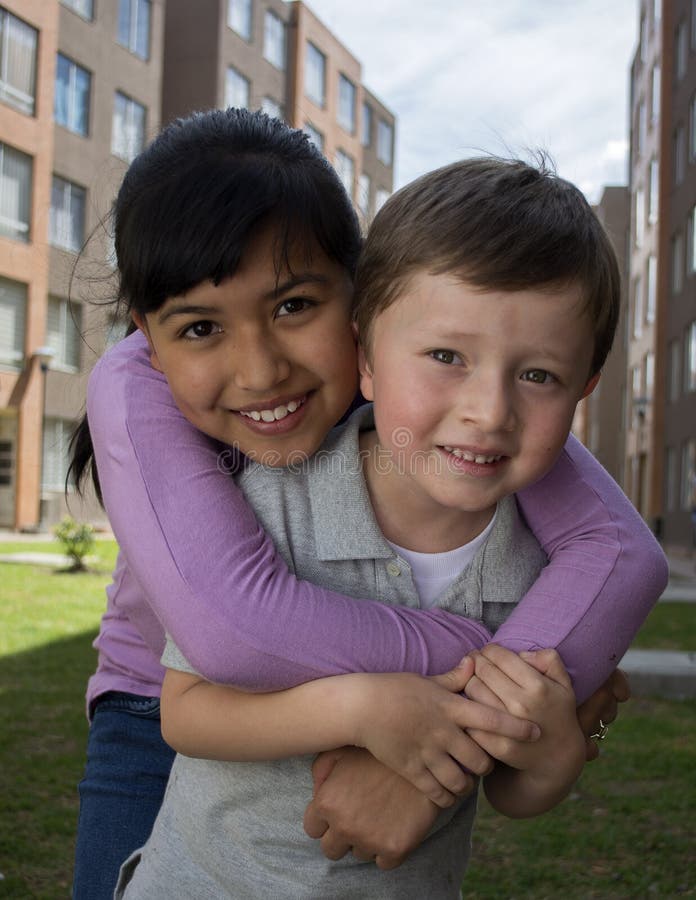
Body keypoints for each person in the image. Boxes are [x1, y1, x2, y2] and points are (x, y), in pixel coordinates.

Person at [69, 109, 667, 897]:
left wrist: (541, 731)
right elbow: (229, 631)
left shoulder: (464, 412)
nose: (259, 373)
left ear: (358, 303)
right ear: (148, 335)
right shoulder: (136, 386)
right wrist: (483, 673)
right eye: (203, 327)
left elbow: (618, 554)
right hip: (157, 704)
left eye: (293, 307)